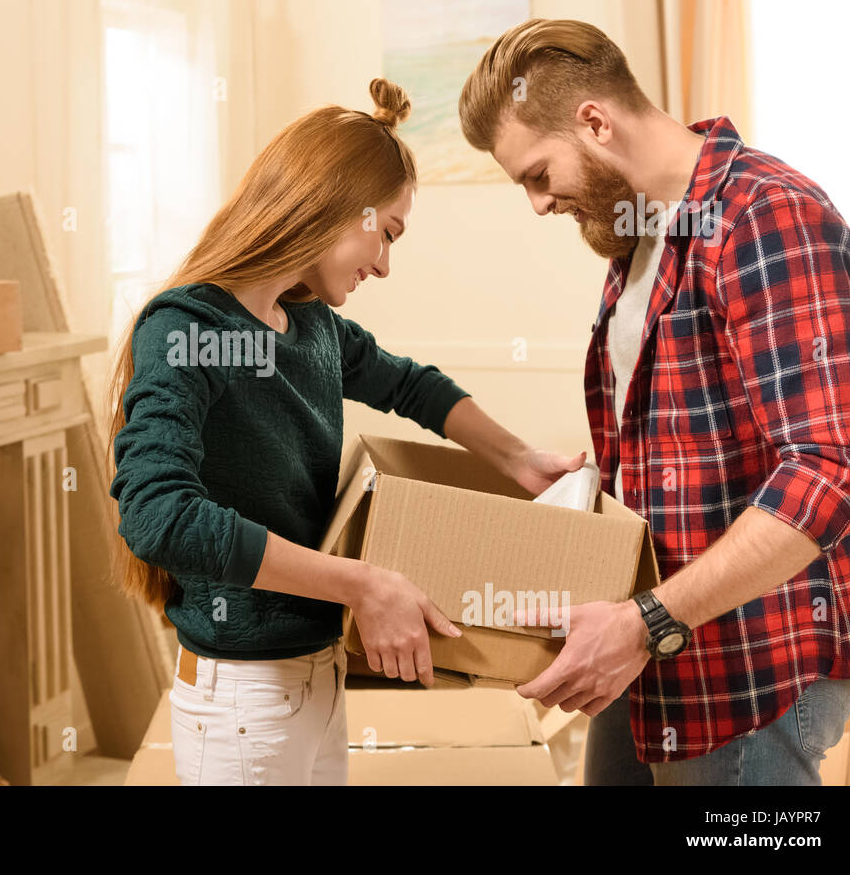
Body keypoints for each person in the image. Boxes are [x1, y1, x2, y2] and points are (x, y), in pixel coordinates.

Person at [107, 78, 586, 785]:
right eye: (386, 232)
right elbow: (155, 515)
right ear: (331, 205)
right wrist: (361, 584)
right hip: (243, 699)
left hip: (315, 678)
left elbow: (409, 384)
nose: (386, 263)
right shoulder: (190, 328)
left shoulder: (310, 327)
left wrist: (519, 459)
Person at [458, 18, 850, 785]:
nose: (539, 204)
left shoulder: (767, 216)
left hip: (750, 669)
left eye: (538, 175)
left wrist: (647, 621)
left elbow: (833, 469)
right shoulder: (641, 236)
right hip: (650, 647)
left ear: (594, 122)